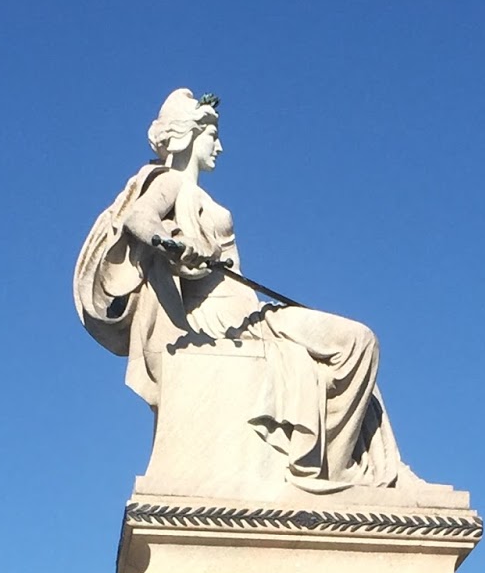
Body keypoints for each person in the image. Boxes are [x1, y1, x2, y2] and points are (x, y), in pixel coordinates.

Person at [74, 89, 405, 493]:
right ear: (189, 136)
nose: (220, 146)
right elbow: (139, 219)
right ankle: (330, 476)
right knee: (357, 341)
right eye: (213, 137)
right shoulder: (170, 182)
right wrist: (170, 242)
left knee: (358, 350)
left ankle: (335, 472)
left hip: (251, 313)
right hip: (225, 322)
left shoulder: (195, 193)